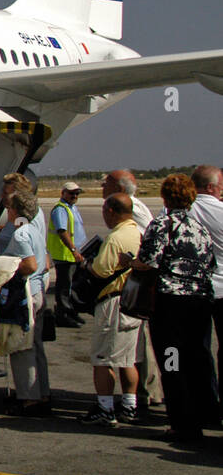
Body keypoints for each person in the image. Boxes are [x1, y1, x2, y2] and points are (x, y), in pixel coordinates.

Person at [122, 174, 217, 442]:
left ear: (165, 196)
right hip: (199, 302)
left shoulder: (163, 223)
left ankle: (181, 420)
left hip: (170, 305)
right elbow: (210, 264)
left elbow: (149, 262)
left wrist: (129, 263)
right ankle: (200, 412)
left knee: (172, 360)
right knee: (195, 358)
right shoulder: (200, 228)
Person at [80, 194, 144, 425]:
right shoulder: (137, 233)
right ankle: (130, 405)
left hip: (113, 301)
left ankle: (105, 408)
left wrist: (86, 264)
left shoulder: (116, 238)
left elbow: (101, 269)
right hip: (132, 301)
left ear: (111, 212)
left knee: (102, 358)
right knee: (128, 358)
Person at [102, 169, 161, 405]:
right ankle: (145, 390)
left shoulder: (132, 209)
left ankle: (147, 390)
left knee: (140, 341)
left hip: (137, 281)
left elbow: (147, 241)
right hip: (137, 279)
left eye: (106, 183)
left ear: (119, 188)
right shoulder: (135, 207)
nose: (102, 186)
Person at [1, 190, 51, 415]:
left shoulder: (21, 235)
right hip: (39, 291)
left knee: (21, 348)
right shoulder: (34, 230)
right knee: (35, 346)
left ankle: (28, 398)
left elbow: (29, 264)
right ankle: (41, 391)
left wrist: (8, 269)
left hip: (27, 294)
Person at [189, 165, 223, 408]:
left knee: (196, 350)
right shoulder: (220, 210)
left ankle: (204, 402)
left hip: (194, 290)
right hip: (221, 288)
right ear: (211, 187)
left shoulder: (181, 212)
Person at [48, 181, 87, 327]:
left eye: (77, 193)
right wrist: (73, 250)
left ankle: (72, 312)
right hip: (65, 255)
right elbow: (62, 231)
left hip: (74, 255)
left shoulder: (72, 208)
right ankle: (62, 315)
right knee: (64, 287)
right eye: (71, 193)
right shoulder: (60, 209)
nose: (74, 196)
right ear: (63, 193)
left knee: (73, 287)